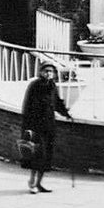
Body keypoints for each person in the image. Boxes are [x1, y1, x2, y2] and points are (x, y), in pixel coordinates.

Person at [21, 62, 72, 194]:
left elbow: (56, 102)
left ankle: (39, 183)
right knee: (36, 155)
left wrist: (66, 114)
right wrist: (28, 128)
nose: (48, 73)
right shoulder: (35, 86)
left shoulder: (52, 85)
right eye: (46, 71)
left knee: (46, 157)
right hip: (36, 126)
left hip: (49, 126)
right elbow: (27, 107)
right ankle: (32, 182)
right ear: (41, 72)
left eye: (51, 71)